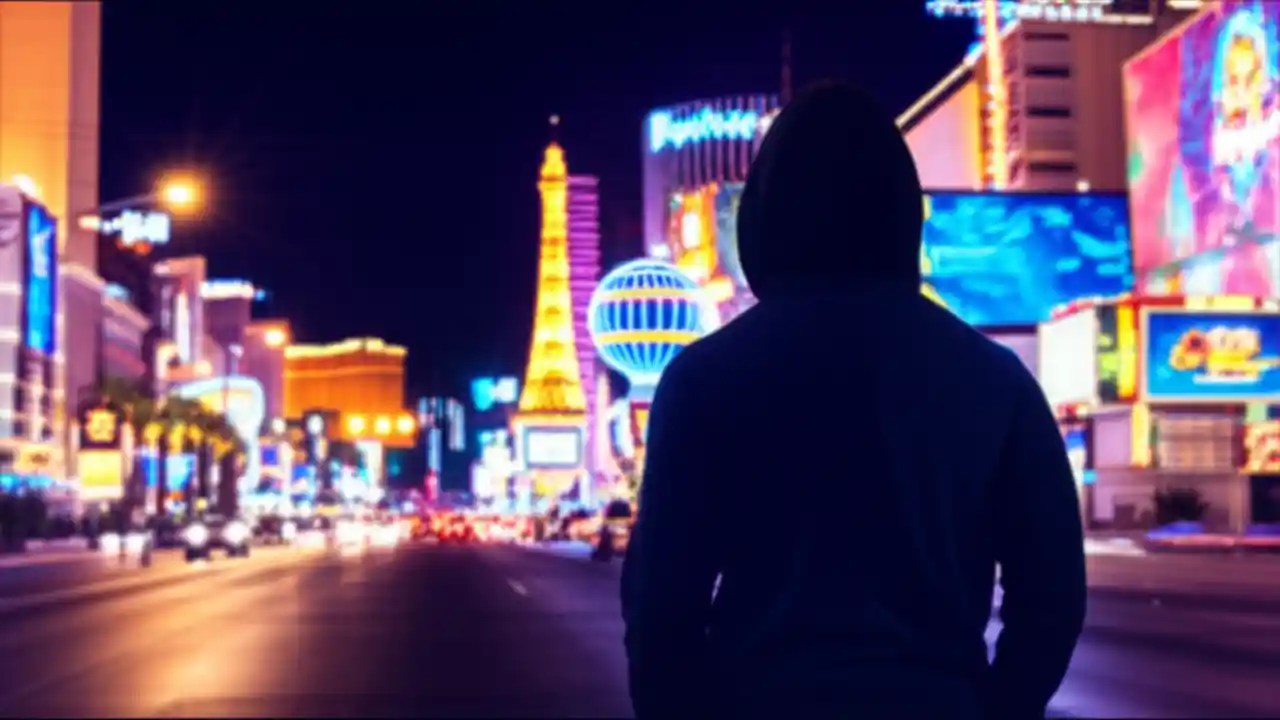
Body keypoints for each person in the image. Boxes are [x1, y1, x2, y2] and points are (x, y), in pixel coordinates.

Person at [620, 81, 1086, 720]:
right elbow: (1053, 597)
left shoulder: (702, 380)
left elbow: (660, 612)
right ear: (903, 214)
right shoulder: (996, 380)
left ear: (761, 216)